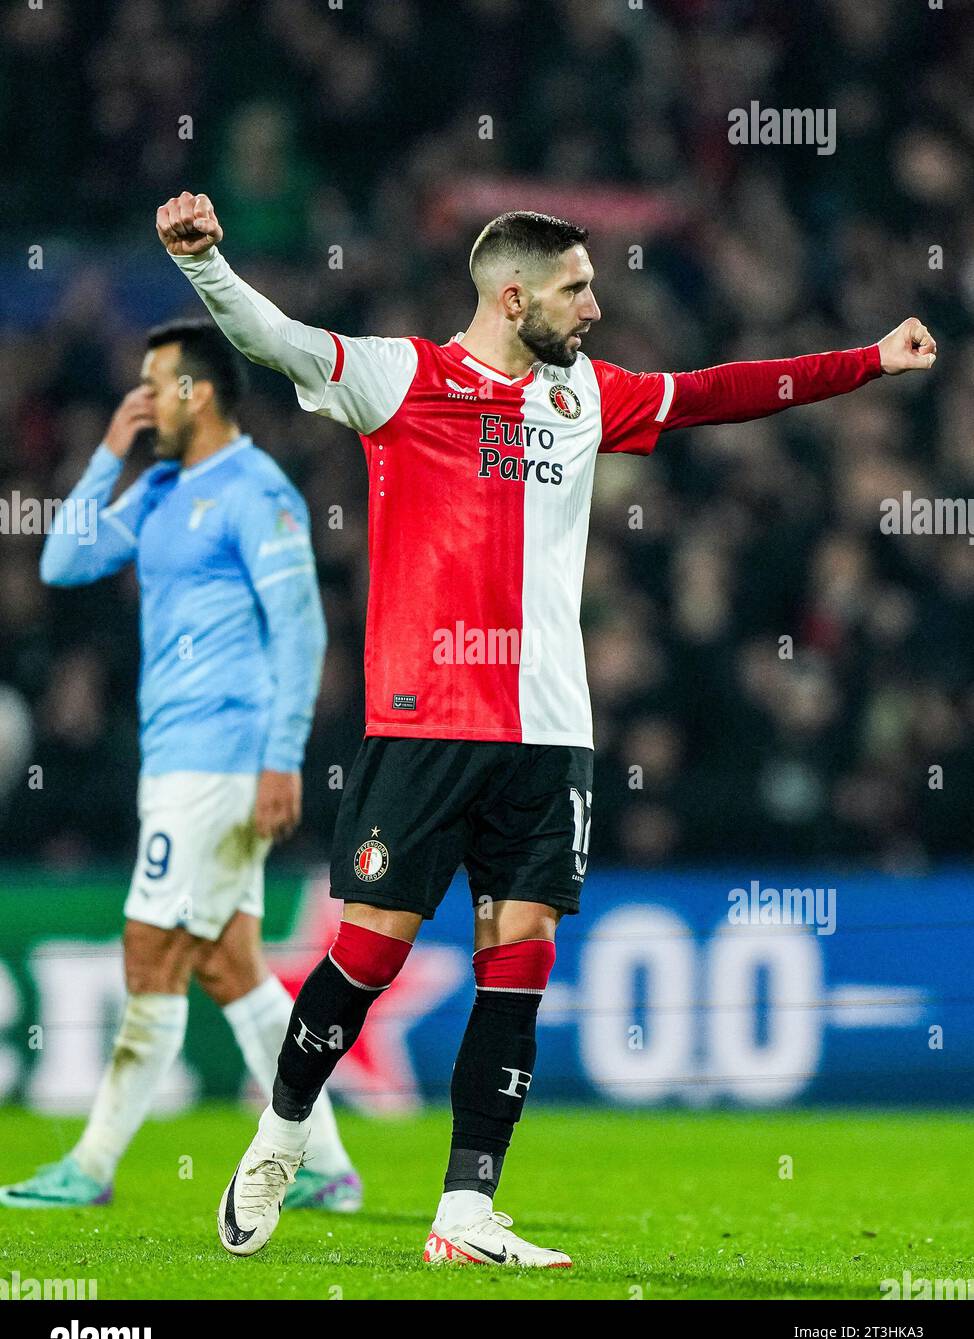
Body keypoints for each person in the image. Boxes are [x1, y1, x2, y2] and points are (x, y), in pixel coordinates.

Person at [157, 190, 936, 1267]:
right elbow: (272, 337)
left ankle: (465, 1212)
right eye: (576, 287)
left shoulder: (583, 401)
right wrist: (204, 264)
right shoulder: (402, 379)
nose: (595, 307)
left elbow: (717, 392)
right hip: (425, 727)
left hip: (549, 734)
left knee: (517, 957)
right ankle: (281, 1136)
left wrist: (867, 359)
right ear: (511, 295)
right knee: (368, 954)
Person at [0, 319, 360, 1213]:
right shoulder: (162, 483)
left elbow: (302, 629)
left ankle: (90, 1165)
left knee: (150, 950)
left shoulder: (256, 492)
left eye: (155, 385)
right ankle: (322, 1163)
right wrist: (107, 454)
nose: (142, 399)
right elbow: (63, 556)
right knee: (230, 964)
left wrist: (282, 762)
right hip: (176, 757)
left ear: (198, 392)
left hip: (224, 760)